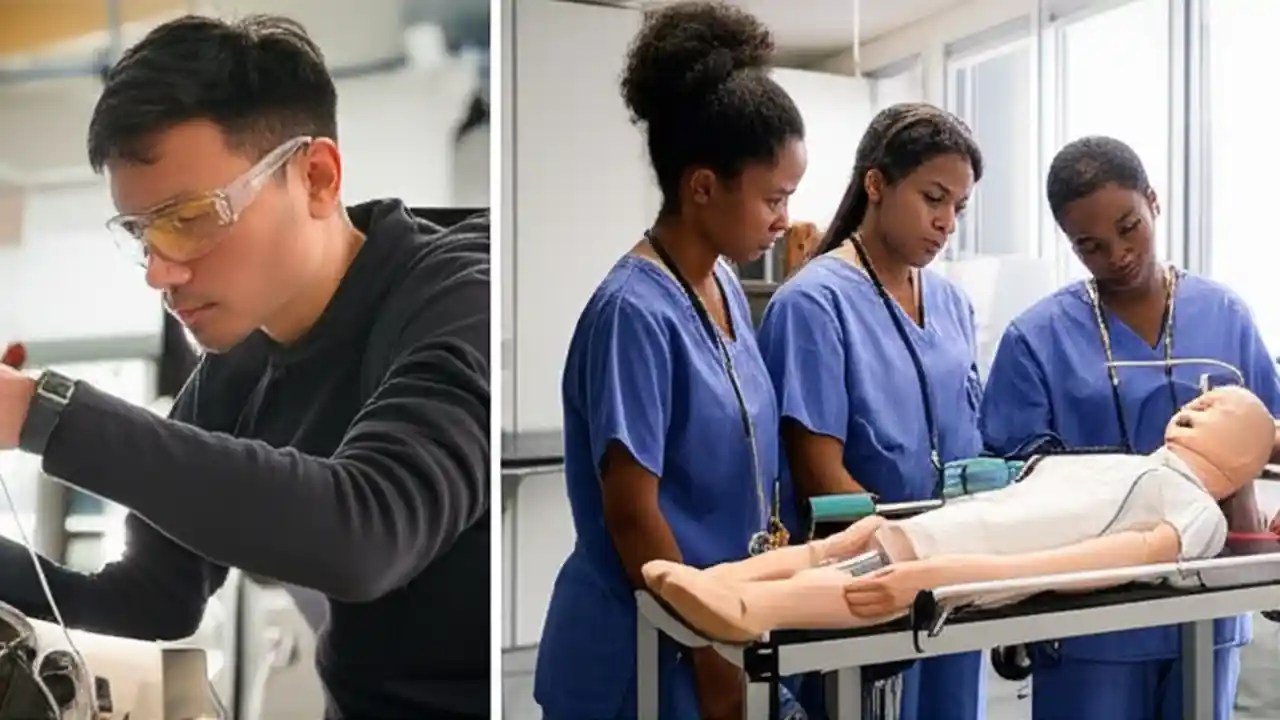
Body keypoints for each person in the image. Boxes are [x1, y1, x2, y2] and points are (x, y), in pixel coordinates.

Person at [0, 15, 490, 720]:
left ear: (317, 177)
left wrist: (35, 413)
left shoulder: (461, 297)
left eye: (190, 217)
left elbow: (366, 534)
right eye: (142, 234)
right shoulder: (240, 362)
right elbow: (151, 599)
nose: (160, 272)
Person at [532, 3, 807, 718]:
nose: (783, 221)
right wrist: (709, 652)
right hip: (646, 650)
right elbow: (632, 516)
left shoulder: (719, 288)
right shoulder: (634, 312)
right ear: (703, 186)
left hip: (712, 630)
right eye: (772, 198)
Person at [980, 135, 1280, 720]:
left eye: (1129, 227)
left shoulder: (1225, 315)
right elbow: (1010, 483)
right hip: (1091, 614)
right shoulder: (1036, 339)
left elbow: (1269, 434)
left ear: (1153, 202)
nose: (1116, 253)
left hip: (1211, 601)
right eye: (1089, 245)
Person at [641, 384, 1276, 641]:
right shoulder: (1139, 464)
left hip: (986, 557)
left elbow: (1104, 561)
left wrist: (960, 577)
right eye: (1200, 399)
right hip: (971, 523)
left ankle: (752, 612)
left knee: (862, 577)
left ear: (1245, 453)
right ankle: (722, 578)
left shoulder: (1196, 512)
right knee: (842, 547)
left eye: (1216, 409)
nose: (1194, 404)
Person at [755, 102, 987, 720]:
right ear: (877, 184)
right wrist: (908, 558)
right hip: (866, 591)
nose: (946, 224)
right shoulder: (813, 306)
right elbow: (817, 474)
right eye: (933, 198)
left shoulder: (954, 306)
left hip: (953, 587)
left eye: (958, 209)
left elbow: (972, 451)